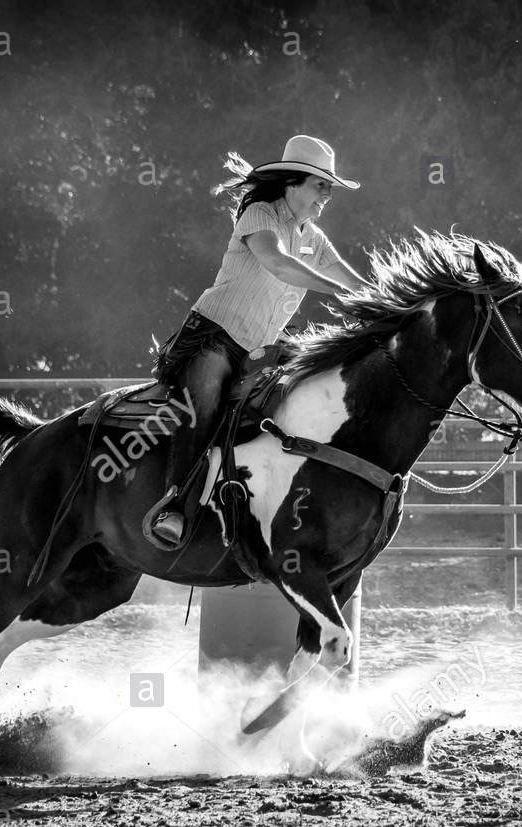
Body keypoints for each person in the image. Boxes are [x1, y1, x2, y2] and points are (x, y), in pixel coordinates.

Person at [147, 134, 368, 549]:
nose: (328, 194)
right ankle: (174, 507)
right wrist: (344, 297)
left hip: (257, 353)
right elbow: (278, 263)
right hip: (211, 339)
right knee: (205, 405)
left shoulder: (313, 238)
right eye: (321, 184)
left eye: (330, 187)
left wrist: (385, 304)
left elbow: (349, 278)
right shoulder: (259, 213)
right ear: (293, 182)